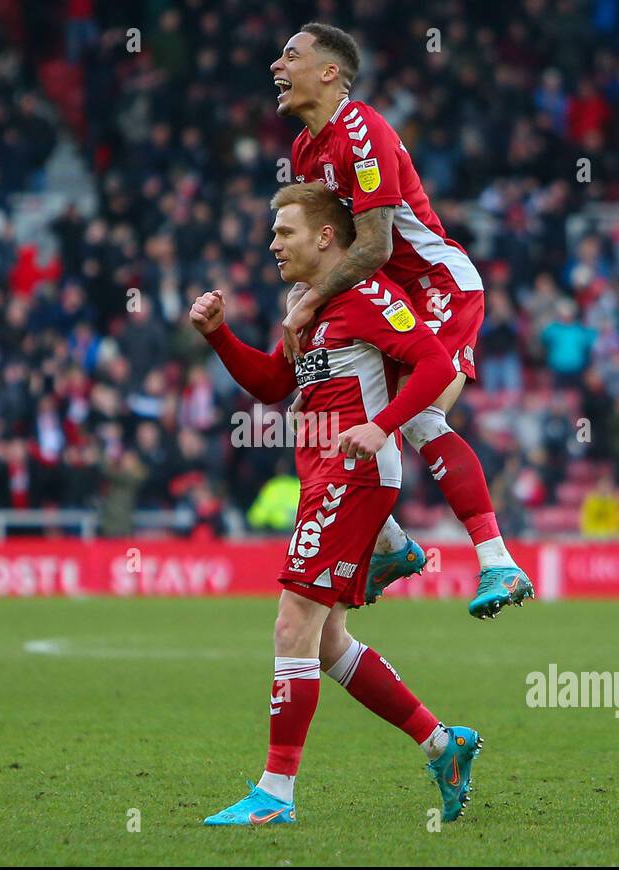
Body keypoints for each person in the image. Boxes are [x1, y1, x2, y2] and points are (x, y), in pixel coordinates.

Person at [191, 182, 481, 826]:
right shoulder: (307, 306)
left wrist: (382, 426)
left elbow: (435, 365)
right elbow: (272, 382)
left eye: (284, 232)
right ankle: (444, 743)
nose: (273, 244)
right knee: (325, 642)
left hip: (355, 474)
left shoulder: (370, 296)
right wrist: (219, 336)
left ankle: (275, 794)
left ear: (325, 237)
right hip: (324, 472)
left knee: (292, 620)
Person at [271, 22, 533, 618]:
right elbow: (329, 247)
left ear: (330, 72)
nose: (276, 66)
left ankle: (498, 562)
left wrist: (310, 302)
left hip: (435, 284)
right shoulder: (305, 152)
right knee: (325, 413)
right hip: (381, 294)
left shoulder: (360, 126)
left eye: (291, 55)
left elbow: (376, 244)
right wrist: (306, 313)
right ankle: (390, 544)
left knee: (419, 414)